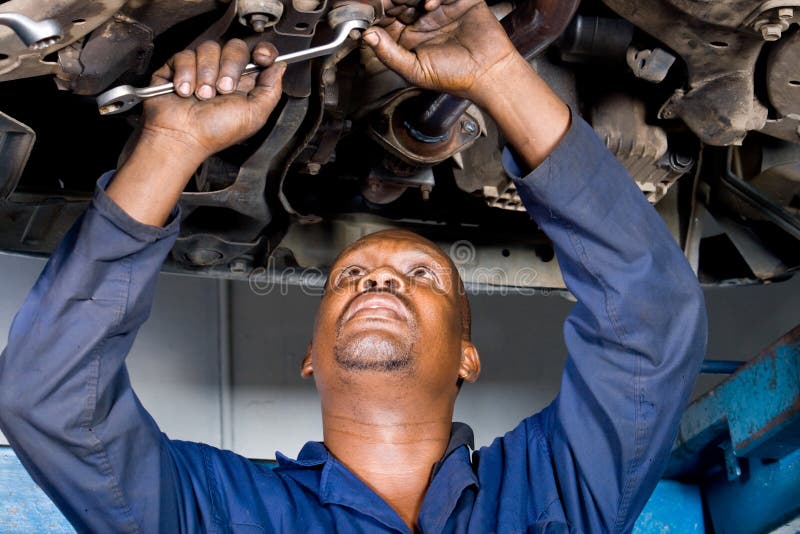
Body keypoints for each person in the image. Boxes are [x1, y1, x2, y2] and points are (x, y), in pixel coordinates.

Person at [0, 0, 707, 531]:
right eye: (351, 278)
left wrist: (499, 75)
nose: (378, 279)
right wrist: (171, 143)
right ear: (310, 355)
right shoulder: (208, 511)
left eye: (422, 276)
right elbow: (52, 400)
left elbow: (652, 317)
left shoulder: (554, 487)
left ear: (468, 356)